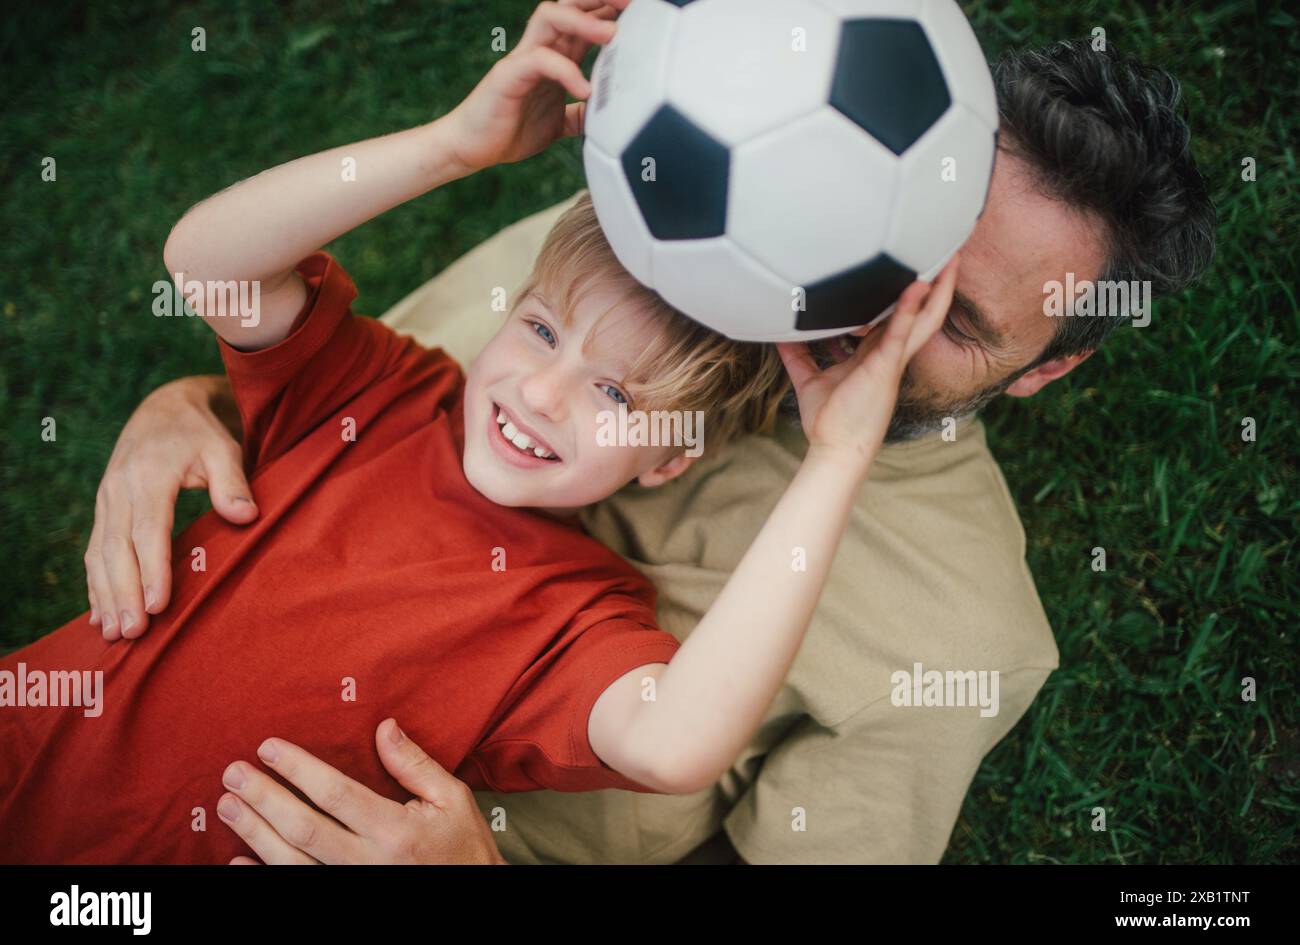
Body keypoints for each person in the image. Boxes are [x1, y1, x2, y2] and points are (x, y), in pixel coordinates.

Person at [72, 35, 1216, 863]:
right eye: (898, 249)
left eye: (951, 321)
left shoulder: (959, 642)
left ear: (1045, 367)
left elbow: (674, 746)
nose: (877, 314)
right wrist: (190, 404)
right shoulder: (661, 260)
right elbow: (342, 400)